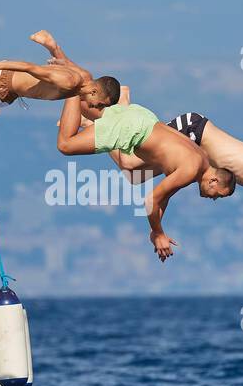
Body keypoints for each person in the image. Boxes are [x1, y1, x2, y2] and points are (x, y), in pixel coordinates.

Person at [104, 93, 243, 289]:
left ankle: (102, 117)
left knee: (135, 176)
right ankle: (116, 105)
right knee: (130, 164)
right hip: (193, 129)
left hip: (195, 136)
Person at [55, 83, 233, 262]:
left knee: (132, 171)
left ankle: (82, 87)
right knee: (66, 145)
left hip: (143, 119)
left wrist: (156, 230)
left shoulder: (201, 158)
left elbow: (164, 197)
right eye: (218, 195)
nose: (214, 198)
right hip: (132, 129)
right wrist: (158, 232)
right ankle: (74, 86)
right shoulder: (190, 171)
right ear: (214, 181)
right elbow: (151, 200)